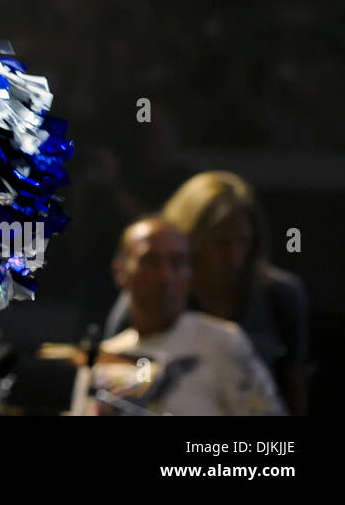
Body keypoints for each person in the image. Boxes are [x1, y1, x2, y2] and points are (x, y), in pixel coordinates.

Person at [102, 171, 310, 414]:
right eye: (220, 242)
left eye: (242, 241)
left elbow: (292, 393)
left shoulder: (240, 330)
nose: (233, 258)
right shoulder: (138, 312)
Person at [81, 217, 284, 416]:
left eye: (178, 263)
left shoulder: (221, 342)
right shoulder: (101, 362)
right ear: (121, 271)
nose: (165, 276)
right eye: (151, 261)